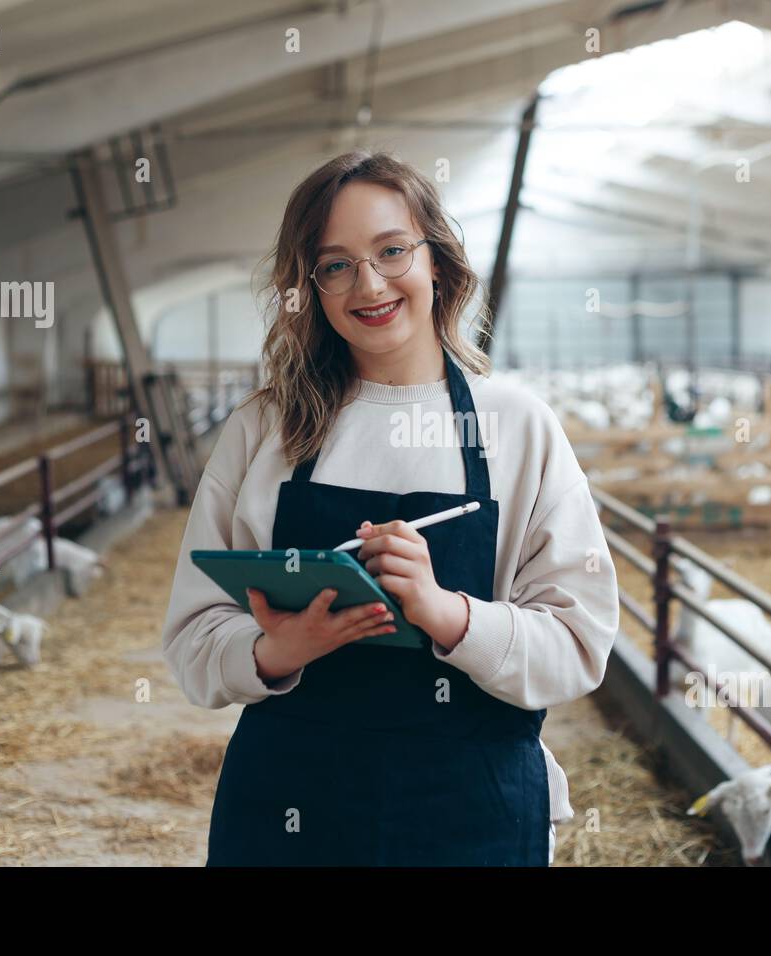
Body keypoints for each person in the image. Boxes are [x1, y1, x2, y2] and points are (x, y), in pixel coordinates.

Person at [161, 151, 619, 866]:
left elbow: (579, 645)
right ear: (309, 287)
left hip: (470, 811)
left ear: (436, 260)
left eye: (391, 251)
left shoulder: (517, 427)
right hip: (293, 806)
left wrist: (448, 613)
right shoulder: (265, 429)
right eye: (335, 265)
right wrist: (276, 651)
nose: (367, 284)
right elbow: (192, 639)